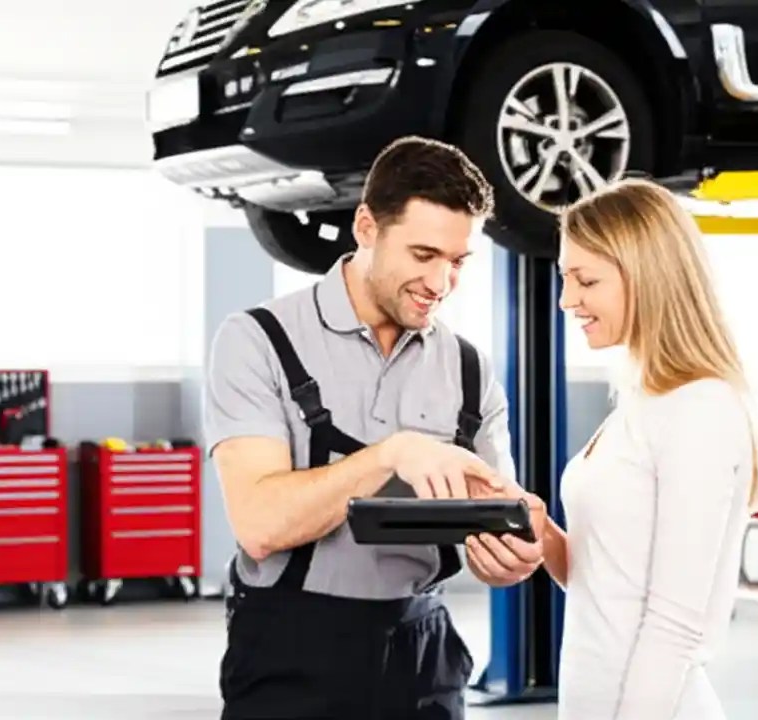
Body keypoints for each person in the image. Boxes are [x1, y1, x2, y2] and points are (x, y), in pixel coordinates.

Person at [203, 135, 546, 720]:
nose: (440, 283)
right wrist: (392, 454)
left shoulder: (468, 368)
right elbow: (259, 524)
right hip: (292, 653)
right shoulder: (258, 340)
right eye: (422, 255)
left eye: (457, 262)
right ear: (366, 226)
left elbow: (498, 507)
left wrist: (513, 551)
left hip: (424, 656)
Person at [497, 178, 758, 720]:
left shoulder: (701, 407)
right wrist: (545, 533)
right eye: (565, 278)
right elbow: (604, 586)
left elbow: (675, 624)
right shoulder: (641, 401)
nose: (566, 299)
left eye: (586, 280)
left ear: (646, 277)